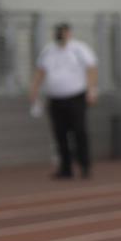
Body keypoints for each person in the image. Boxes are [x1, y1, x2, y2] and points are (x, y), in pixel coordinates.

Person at [29, 22, 99, 179]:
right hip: (55, 98)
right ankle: (65, 168)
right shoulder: (48, 51)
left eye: (63, 32)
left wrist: (91, 90)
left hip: (76, 96)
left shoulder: (79, 49)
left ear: (69, 33)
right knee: (60, 133)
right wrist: (34, 89)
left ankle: (84, 165)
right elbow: (40, 71)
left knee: (79, 131)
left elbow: (92, 69)